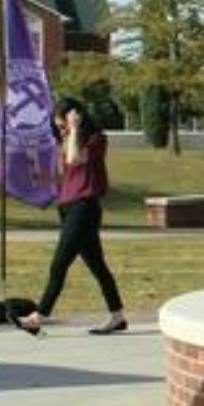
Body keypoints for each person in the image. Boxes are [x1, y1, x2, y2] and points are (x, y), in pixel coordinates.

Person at [18, 98, 126, 337]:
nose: (61, 130)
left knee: (59, 263)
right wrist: (35, 176)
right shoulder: (65, 141)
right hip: (68, 207)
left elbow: (75, 159)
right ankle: (117, 316)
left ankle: (39, 316)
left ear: (76, 117)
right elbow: (63, 174)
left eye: (63, 125)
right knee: (98, 266)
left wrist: (75, 129)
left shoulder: (96, 139)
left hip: (84, 207)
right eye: (58, 127)